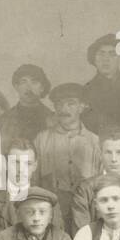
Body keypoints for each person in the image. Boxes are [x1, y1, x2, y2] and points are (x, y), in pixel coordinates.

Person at [33, 81, 100, 227]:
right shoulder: (42, 139)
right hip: (52, 210)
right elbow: (34, 180)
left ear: (82, 107)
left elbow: (100, 184)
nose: (64, 109)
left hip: (86, 211)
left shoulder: (95, 142)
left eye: (71, 104)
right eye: (59, 104)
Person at [0, 139, 61, 235]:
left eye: (28, 164)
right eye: (16, 163)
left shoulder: (50, 204)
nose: (21, 170)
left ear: (35, 166)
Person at [81, 34, 120, 134]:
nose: (106, 59)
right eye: (101, 54)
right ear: (94, 58)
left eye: (112, 54)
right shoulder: (84, 92)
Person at [2, 64, 53, 142]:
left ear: (42, 88)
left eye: (34, 82)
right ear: (16, 87)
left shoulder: (52, 118)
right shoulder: (4, 119)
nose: (28, 87)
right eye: (23, 82)